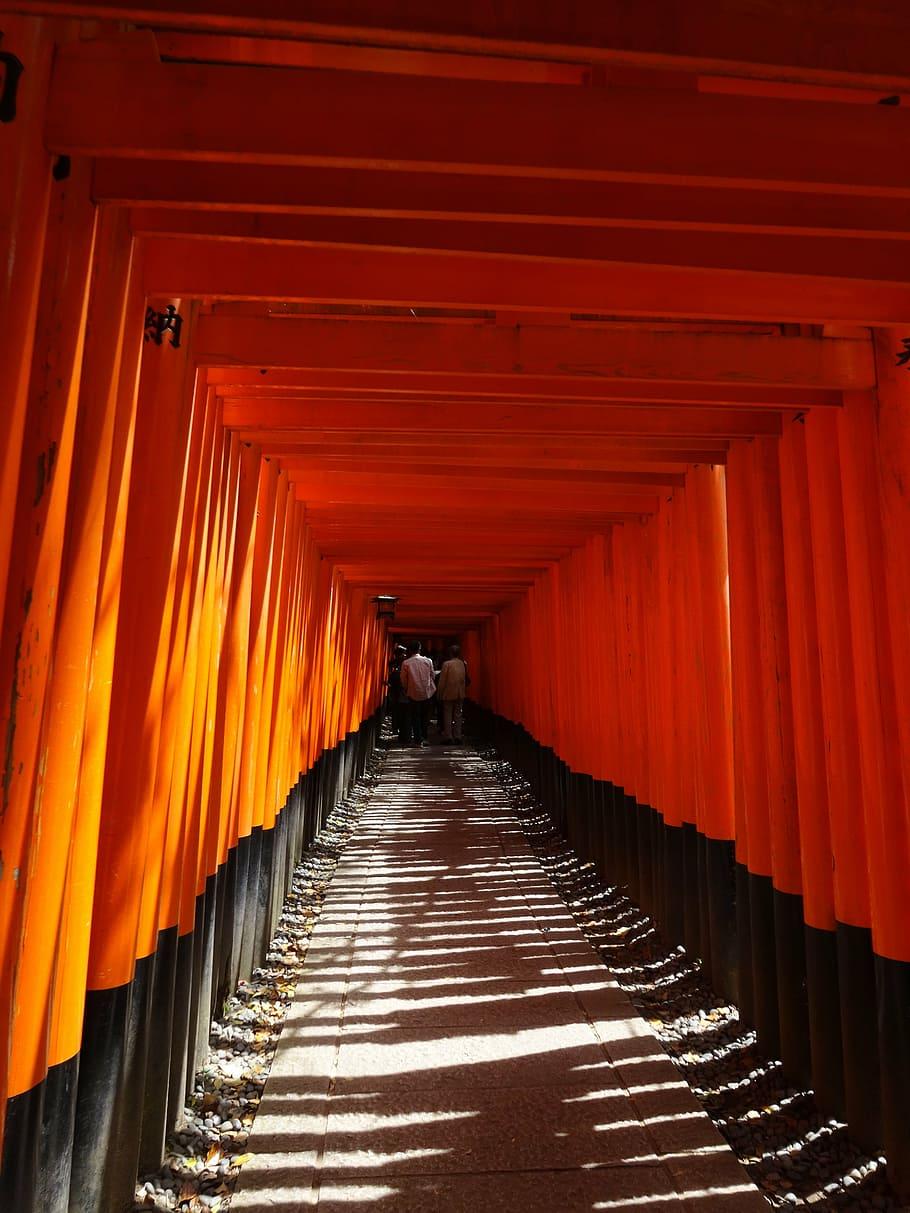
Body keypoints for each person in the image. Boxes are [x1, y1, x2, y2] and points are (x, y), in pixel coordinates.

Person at [400, 640, 436, 746]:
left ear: (410, 650)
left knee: (415, 717)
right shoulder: (428, 661)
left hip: (413, 693)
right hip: (426, 693)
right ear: (420, 649)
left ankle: (417, 739)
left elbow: (403, 679)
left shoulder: (406, 663)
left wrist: (407, 689)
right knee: (425, 716)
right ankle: (424, 737)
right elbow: (432, 675)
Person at [436, 644, 468, 745]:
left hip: (448, 692)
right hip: (460, 692)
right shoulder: (463, 663)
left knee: (448, 715)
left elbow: (442, 681)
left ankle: (448, 736)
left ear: (450, 653)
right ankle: (458, 736)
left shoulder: (447, 664)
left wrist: (439, 693)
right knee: (458, 715)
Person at [387, 644, 408, 743]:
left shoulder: (393, 663)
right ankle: (403, 731)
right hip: (403, 690)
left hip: (395, 690)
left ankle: (396, 728)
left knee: (396, 711)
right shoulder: (406, 663)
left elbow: (390, 676)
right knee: (404, 712)